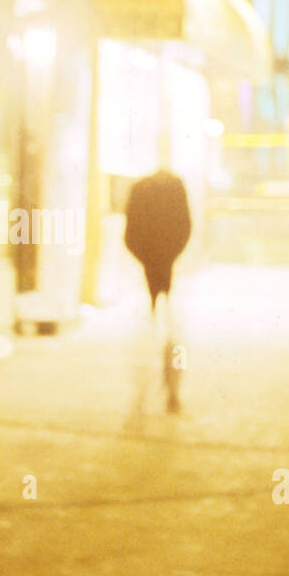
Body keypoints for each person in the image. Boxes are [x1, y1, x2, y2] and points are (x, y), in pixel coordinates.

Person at [124, 168, 192, 412]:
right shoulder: (175, 186)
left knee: (153, 327)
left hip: (151, 262)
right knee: (174, 332)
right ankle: (172, 392)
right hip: (167, 261)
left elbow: (130, 233)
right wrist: (170, 255)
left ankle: (151, 392)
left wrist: (146, 258)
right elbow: (185, 226)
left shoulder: (139, 188)